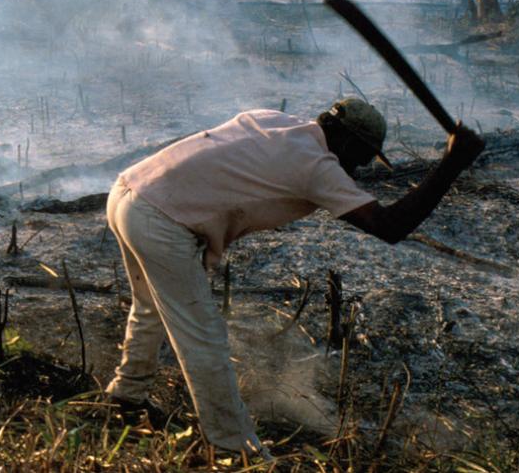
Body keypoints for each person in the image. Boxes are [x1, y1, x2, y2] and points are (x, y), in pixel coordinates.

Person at [103, 98, 485, 459]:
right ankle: (234, 450)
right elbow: (391, 226)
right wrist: (451, 164)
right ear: (347, 141)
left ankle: (126, 395)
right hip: (160, 220)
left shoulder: (273, 119)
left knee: (151, 308)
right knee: (204, 339)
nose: (357, 171)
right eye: (363, 158)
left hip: (128, 191)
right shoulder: (316, 166)